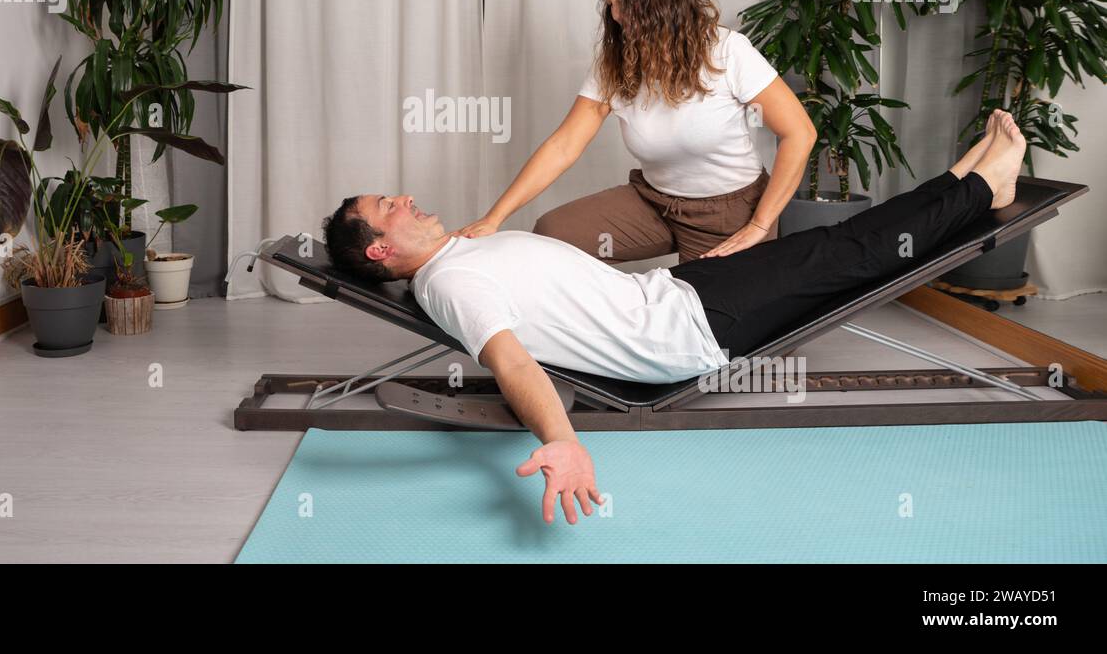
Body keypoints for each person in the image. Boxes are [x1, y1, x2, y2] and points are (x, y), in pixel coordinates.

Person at [321, 111, 1026, 526]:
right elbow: (511, 361)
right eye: (389, 206)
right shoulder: (449, 284)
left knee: (837, 247)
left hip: (678, 293)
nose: (406, 198)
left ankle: (962, 186)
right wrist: (562, 440)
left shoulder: (459, 251)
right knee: (854, 251)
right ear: (382, 248)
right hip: (693, 326)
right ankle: (978, 187)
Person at [456, 0, 816, 261]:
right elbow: (564, 145)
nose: (614, 14)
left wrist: (760, 223)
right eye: (609, 2)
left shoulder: (726, 51)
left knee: (707, 326)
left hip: (728, 213)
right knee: (554, 234)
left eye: (622, 1)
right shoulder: (615, 64)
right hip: (652, 203)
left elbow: (800, 133)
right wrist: (494, 217)